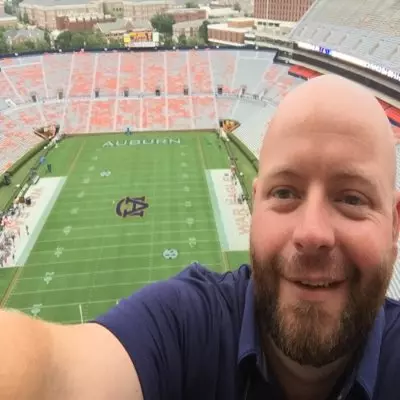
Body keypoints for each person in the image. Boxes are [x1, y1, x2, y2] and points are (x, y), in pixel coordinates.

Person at [1, 74, 400, 400]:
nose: (312, 233)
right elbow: (60, 374)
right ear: (255, 202)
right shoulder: (185, 326)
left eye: (352, 198)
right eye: (285, 192)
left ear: (395, 225)